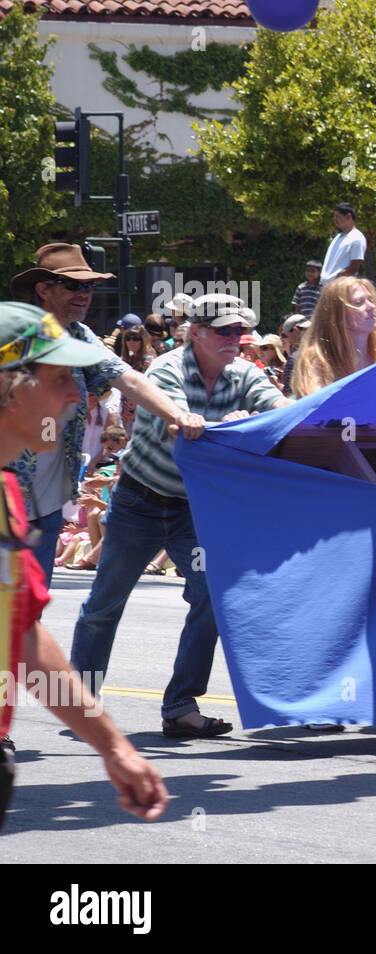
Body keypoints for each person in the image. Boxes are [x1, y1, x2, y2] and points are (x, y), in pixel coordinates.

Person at [69, 294, 292, 739]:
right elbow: (174, 424)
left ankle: (181, 706)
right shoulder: (167, 368)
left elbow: (281, 411)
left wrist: (255, 420)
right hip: (139, 502)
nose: (234, 339)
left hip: (195, 509)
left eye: (238, 331)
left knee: (210, 599)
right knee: (104, 605)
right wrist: (225, 425)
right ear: (196, 333)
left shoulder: (245, 372)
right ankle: (78, 702)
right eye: (223, 331)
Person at [0, 300, 169, 824]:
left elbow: (19, 633)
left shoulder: (8, 494)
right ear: (8, 386)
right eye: (57, 379)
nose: (76, 394)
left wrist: (112, 747)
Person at [7, 243, 205, 583]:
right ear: (43, 289)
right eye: (74, 285)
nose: (85, 294)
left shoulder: (80, 337)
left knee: (27, 612)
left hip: (48, 503)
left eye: (90, 286)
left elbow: (130, 380)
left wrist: (178, 416)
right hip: (8, 498)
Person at [290, 277, 376, 398]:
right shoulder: (317, 359)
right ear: (337, 314)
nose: (371, 306)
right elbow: (315, 406)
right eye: (359, 302)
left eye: (371, 300)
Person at [321, 202, 367, 284]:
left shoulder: (357, 237)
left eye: (338, 216)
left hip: (339, 287)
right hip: (325, 286)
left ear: (349, 216)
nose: (335, 219)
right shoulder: (337, 237)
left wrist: (338, 278)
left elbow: (354, 267)